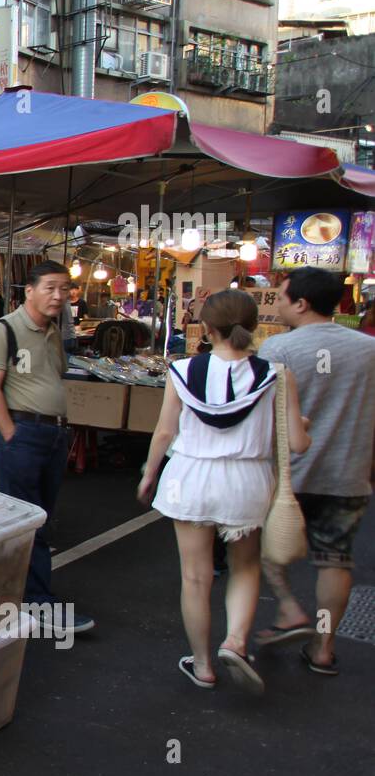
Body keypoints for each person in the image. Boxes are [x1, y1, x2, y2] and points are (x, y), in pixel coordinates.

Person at [139, 289, 309, 693]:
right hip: (246, 482)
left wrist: (150, 472)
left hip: (190, 478)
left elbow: (165, 430)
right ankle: (234, 642)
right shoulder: (276, 374)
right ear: (252, 327)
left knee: (195, 577)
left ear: (207, 329)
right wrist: (307, 426)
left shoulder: (181, 371)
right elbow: (298, 444)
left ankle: (202, 666)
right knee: (245, 566)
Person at [256, 269, 375, 676]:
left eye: (283, 297)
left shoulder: (280, 348)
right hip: (349, 473)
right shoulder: (368, 349)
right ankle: (323, 647)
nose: (280, 303)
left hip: (291, 475)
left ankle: (288, 607)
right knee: (335, 560)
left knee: (262, 547)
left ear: (301, 303)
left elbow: (261, 412)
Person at [0, 261, 91, 635]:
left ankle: (18, 596)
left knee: (41, 519)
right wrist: (10, 433)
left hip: (54, 436)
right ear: (29, 290)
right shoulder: (3, 329)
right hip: (23, 434)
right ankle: (37, 603)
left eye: (64, 288)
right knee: (30, 524)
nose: (59, 296)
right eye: (50, 287)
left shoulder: (54, 331)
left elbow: (53, 375)